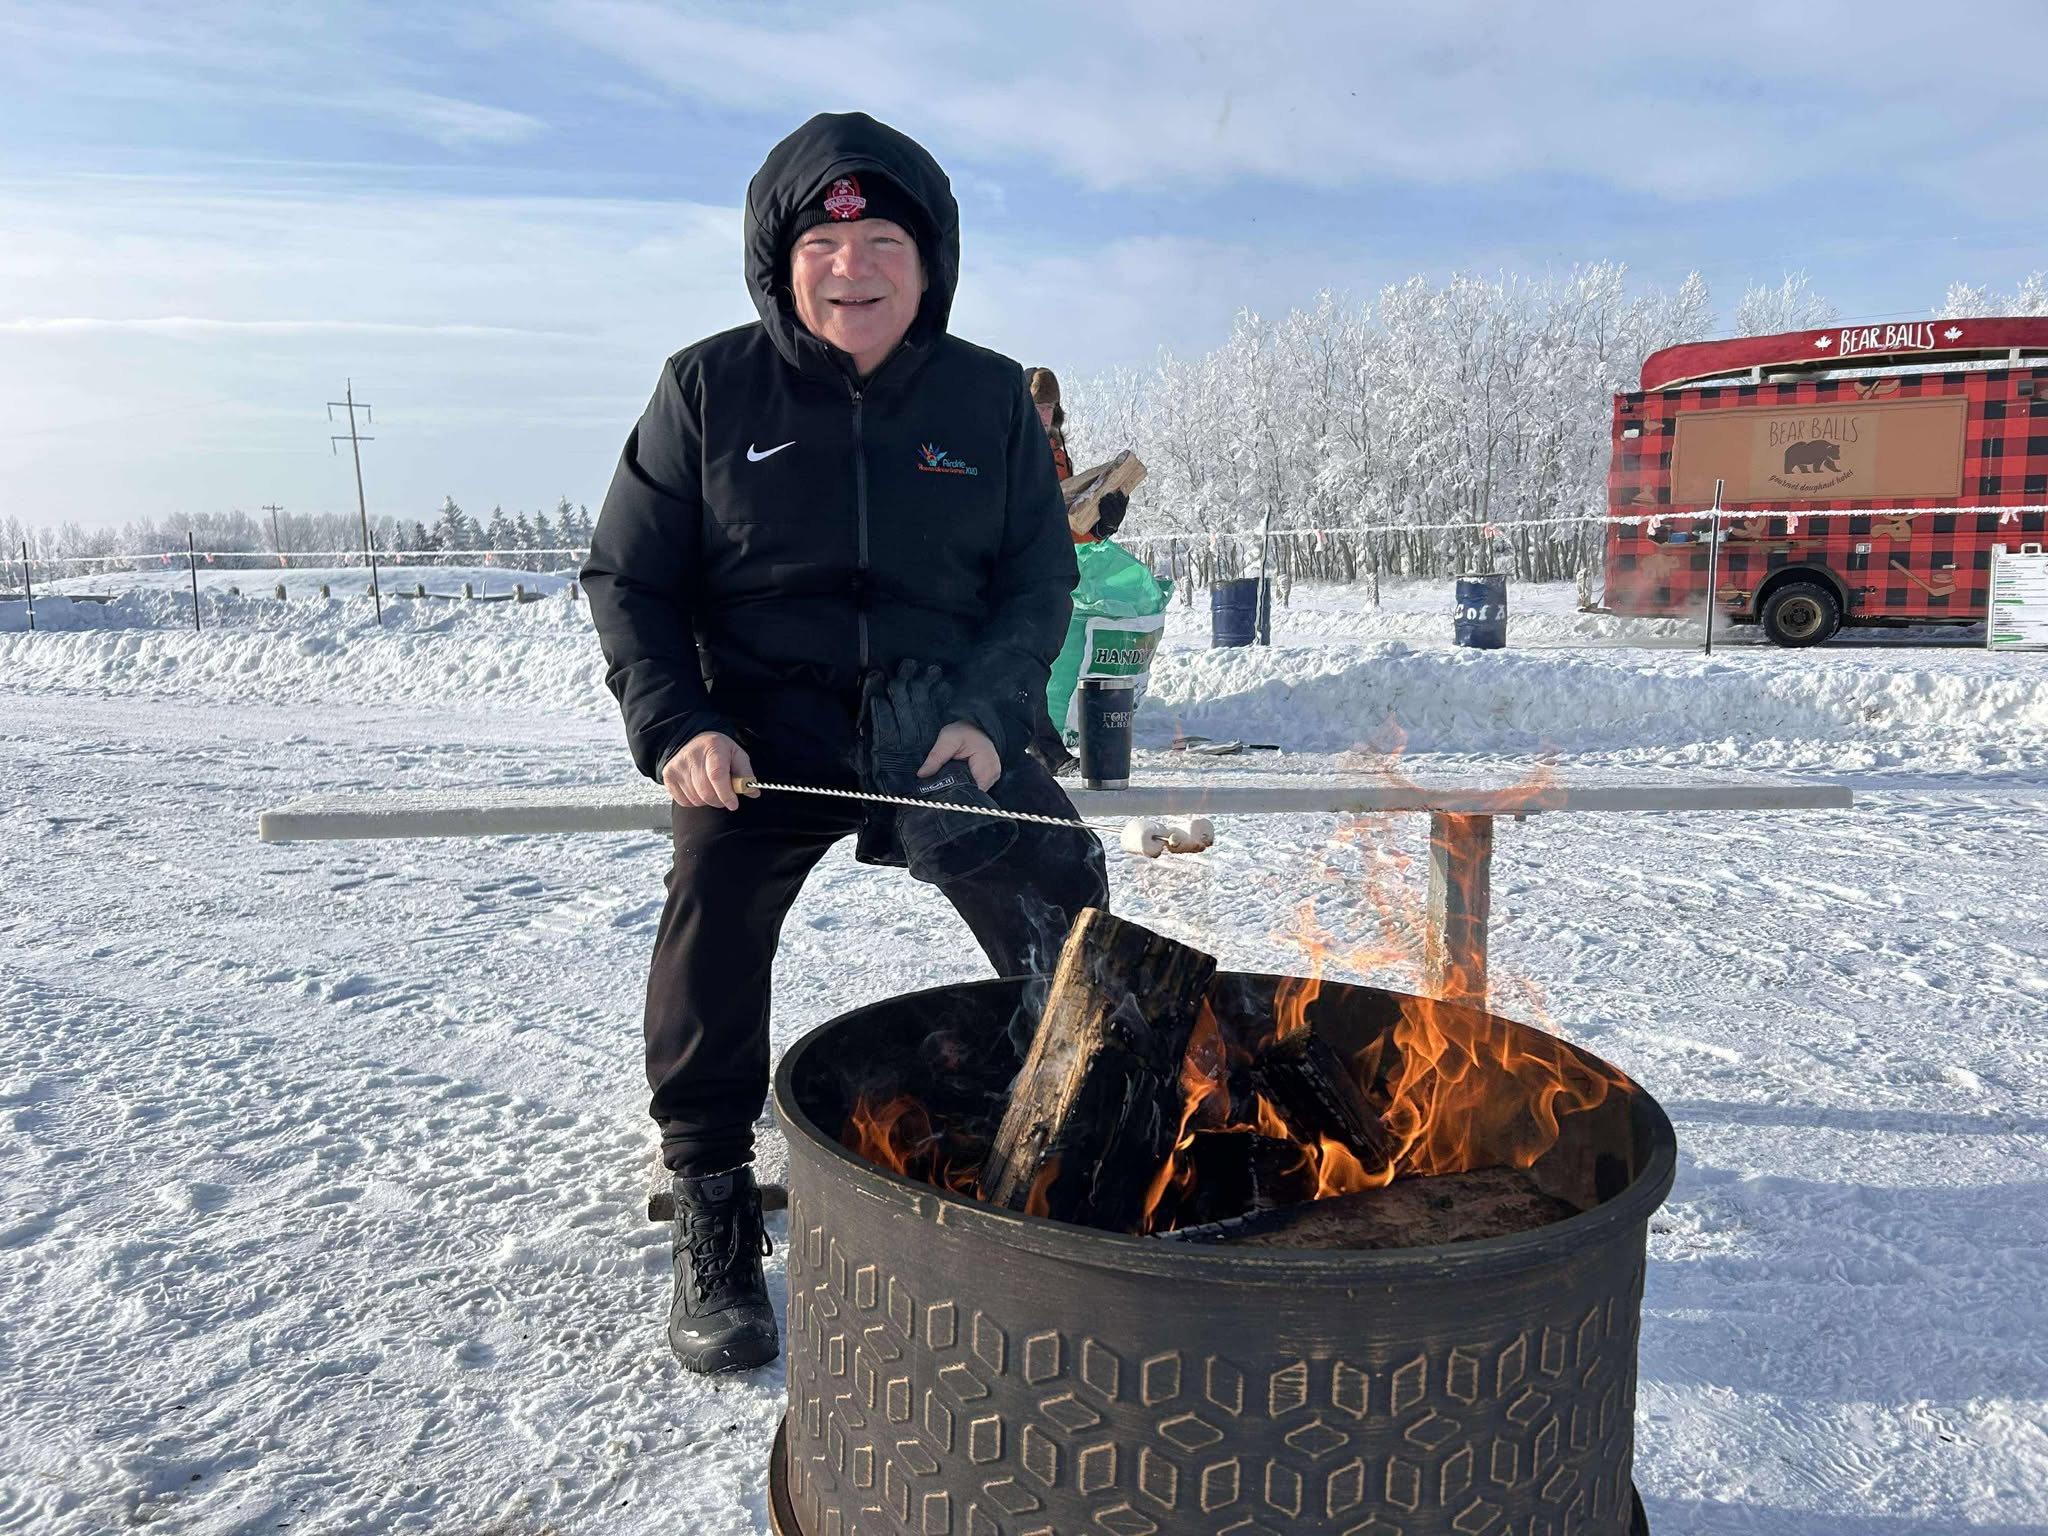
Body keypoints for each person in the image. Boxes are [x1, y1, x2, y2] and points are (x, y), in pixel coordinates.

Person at [581, 113, 1109, 1375]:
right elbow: (627, 578)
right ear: (780, 261)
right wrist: (680, 724)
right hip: (756, 727)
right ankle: (710, 1192)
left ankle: (1084, 1137)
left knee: (1057, 885)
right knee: (712, 901)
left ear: (928, 265)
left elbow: (1038, 581)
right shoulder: (706, 389)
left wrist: (988, 716)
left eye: (884, 240)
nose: (853, 266)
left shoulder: (985, 396)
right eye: (827, 244)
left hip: (941, 716)